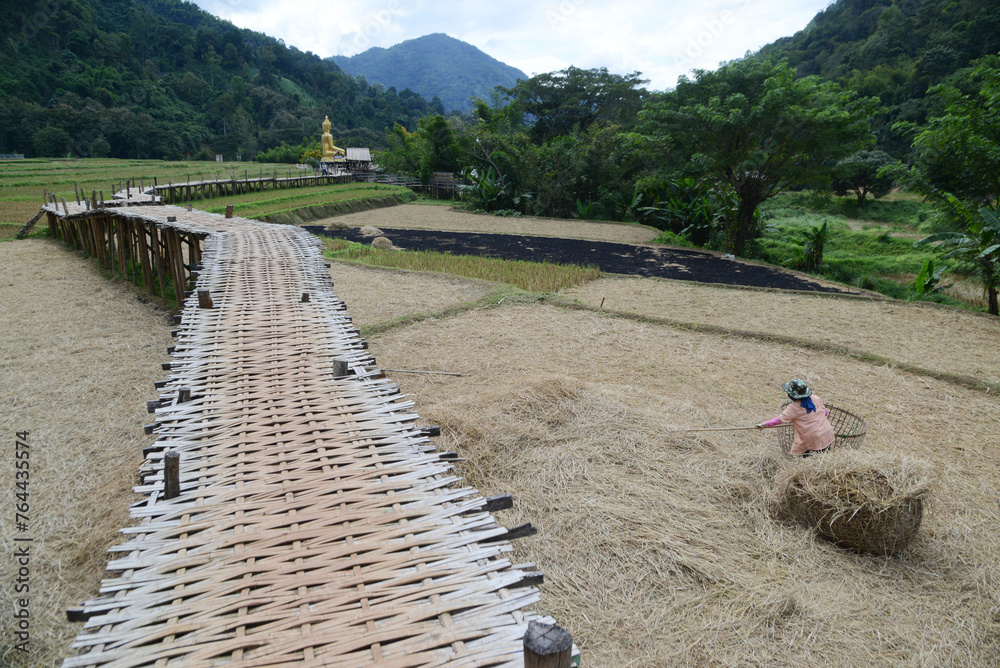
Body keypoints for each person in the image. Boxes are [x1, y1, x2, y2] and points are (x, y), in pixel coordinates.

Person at [756, 379, 835, 457]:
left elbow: (780, 420)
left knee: (808, 458)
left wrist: (764, 424)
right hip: (827, 433)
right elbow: (825, 412)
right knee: (824, 455)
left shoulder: (793, 407)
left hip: (813, 438)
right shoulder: (816, 398)